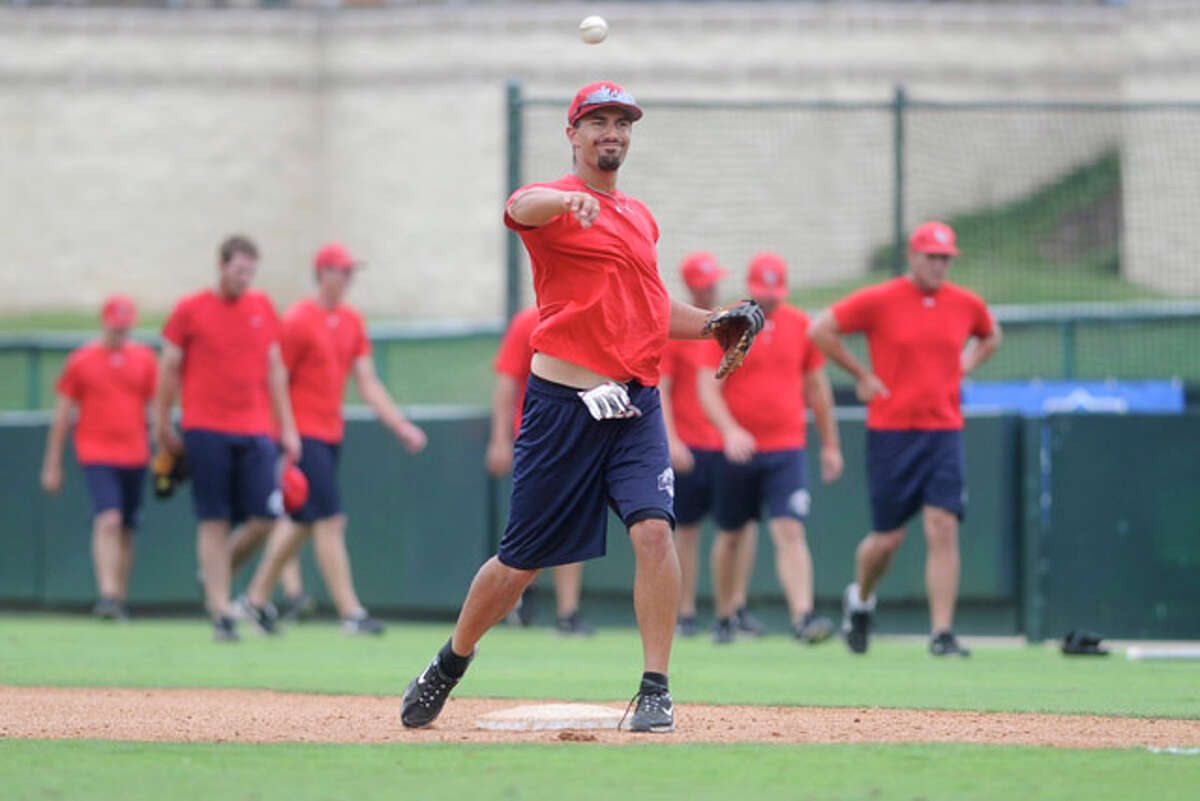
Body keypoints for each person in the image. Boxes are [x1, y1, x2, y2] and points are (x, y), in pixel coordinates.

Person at [399, 81, 762, 734]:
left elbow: (652, 311)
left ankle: (656, 687)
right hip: (563, 406)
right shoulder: (553, 205)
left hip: (633, 403)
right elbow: (520, 206)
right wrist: (566, 199)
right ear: (573, 134)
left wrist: (715, 322)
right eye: (597, 121)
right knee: (519, 565)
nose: (611, 132)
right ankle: (449, 662)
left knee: (654, 529)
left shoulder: (640, 217)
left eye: (622, 122)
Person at [809, 221, 1002, 657]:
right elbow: (821, 329)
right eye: (932, 256)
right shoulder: (882, 299)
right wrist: (861, 375)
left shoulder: (964, 303)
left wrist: (967, 365)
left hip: (943, 430)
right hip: (892, 433)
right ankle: (860, 600)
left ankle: (941, 633)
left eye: (945, 258)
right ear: (913, 257)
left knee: (943, 525)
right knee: (887, 540)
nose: (939, 264)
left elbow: (991, 334)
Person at [236, 242, 427, 636]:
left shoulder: (352, 321)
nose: (347, 278)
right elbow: (276, 380)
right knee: (329, 520)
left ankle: (255, 601)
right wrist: (285, 434)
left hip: (329, 431)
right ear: (322, 273)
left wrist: (399, 425)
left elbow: (367, 381)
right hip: (302, 435)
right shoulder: (298, 319)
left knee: (302, 523)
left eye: (350, 271)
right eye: (341, 270)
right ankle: (351, 613)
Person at [153, 234, 301, 642]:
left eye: (250, 271)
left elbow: (275, 370)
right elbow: (169, 368)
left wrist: (287, 427)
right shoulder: (191, 309)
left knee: (265, 517)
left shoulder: (261, 307)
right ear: (222, 266)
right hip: (205, 426)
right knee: (213, 517)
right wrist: (162, 422)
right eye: (239, 270)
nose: (244, 278)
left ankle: (213, 574)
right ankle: (220, 611)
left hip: (255, 427)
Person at [697, 253, 843, 644]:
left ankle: (803, 617)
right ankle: (725, 616)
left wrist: (830, 444)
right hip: (738, 451)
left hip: (786, 448)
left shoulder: (800, 326)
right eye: (763, 293)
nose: (770, 301)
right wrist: (729, 431)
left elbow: (817, 388)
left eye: (775, 293)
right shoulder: (730, 322)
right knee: (730, 534)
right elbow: (706, 386)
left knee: (790, 529)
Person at [659, 253, 762, 640]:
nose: (710, 288)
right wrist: (671, 439)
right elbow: (662, 389)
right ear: (689, 285)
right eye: (703, 282)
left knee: (739, 526)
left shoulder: (729, 323)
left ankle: (733, 607)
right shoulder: (679, 328)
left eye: (713, 281)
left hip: (725, 443)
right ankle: (685, 611)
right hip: (690, 443)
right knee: (685, 530)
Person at [40, 295, 157, 621]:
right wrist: (52, 463)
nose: (120, 332)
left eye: (125, 326)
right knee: (108, 520)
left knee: (128, 528)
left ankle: (119, 596)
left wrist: (162, 448)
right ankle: (107, 595)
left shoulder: (144, 359)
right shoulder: (82, 360)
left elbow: (154, 407)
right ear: (104, 323)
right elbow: (62, 414)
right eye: (115, 325)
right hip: (97, 452)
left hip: (135, 453)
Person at [486, 305, 593, 636]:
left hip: (580, 434)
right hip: (535, 438)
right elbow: (506, 382)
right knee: (531, 528)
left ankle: (567, 612)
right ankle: (518, 597)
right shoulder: (527, 322)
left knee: (574, 523)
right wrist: (499, 440)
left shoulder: (591, 318)